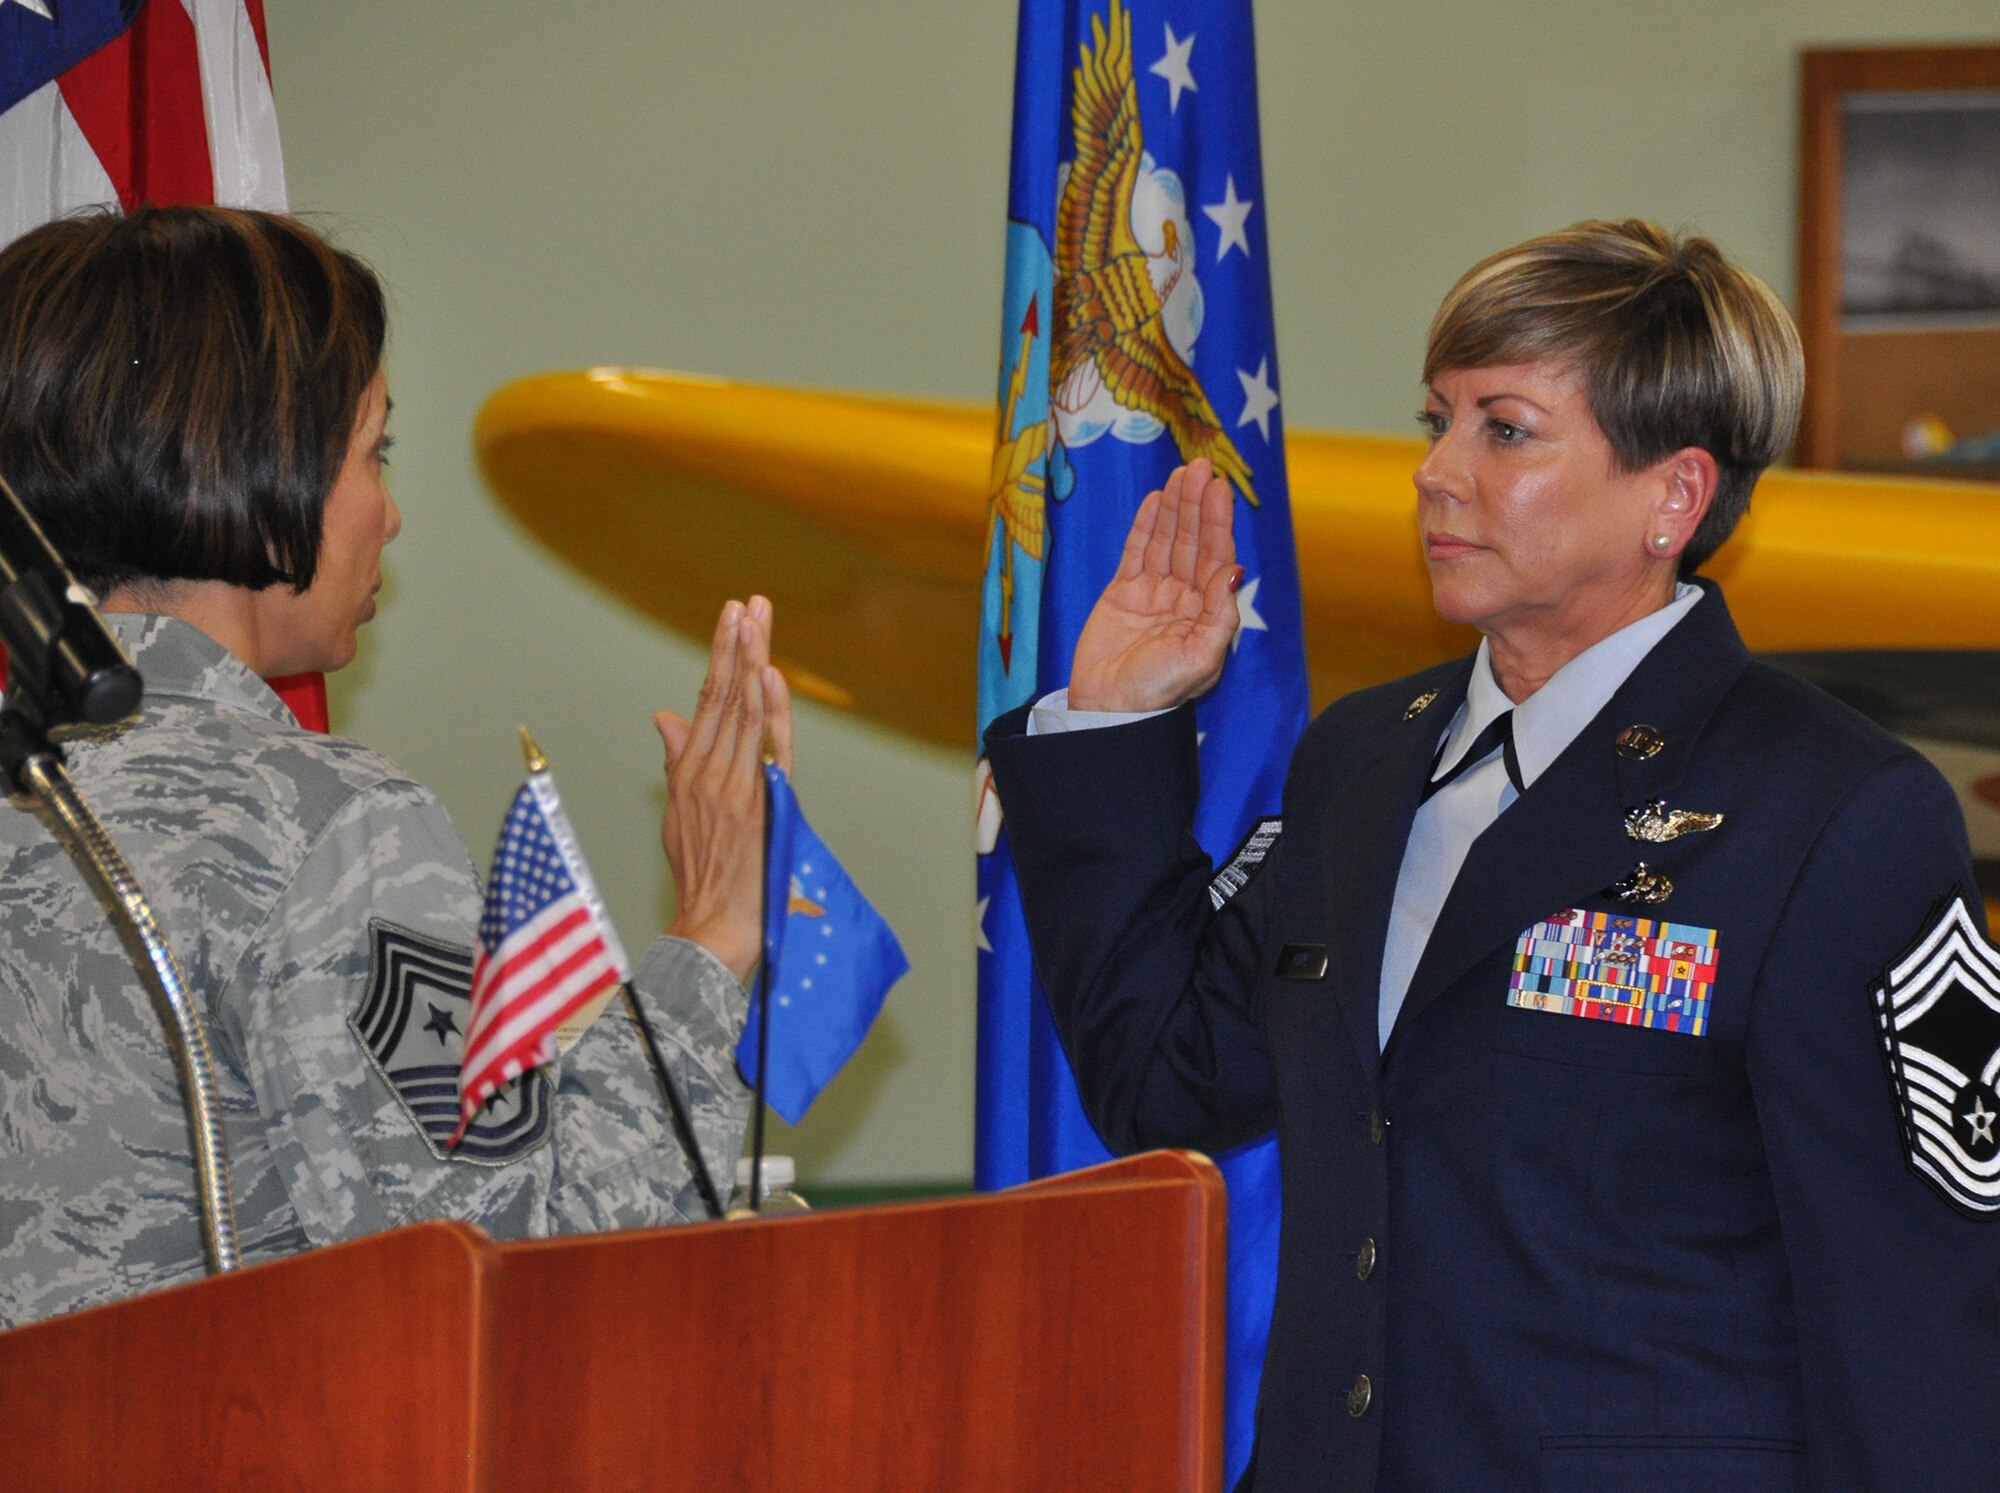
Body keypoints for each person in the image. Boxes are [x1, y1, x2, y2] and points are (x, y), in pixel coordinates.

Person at [986, 220, 2000, 1491]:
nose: (1435, 472)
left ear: (1672, 495)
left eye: (1503, 430)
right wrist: (1112, 722)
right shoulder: (1361, 757)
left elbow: (1916, 1309)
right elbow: (1165, 1079)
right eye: (1436, 421)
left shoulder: (1836, 811)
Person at [0, 206, 785, 1328]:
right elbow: (499, 1278)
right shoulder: (325, 826)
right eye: (375, 452)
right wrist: (713, 932)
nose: (392, 514)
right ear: (251, 466)